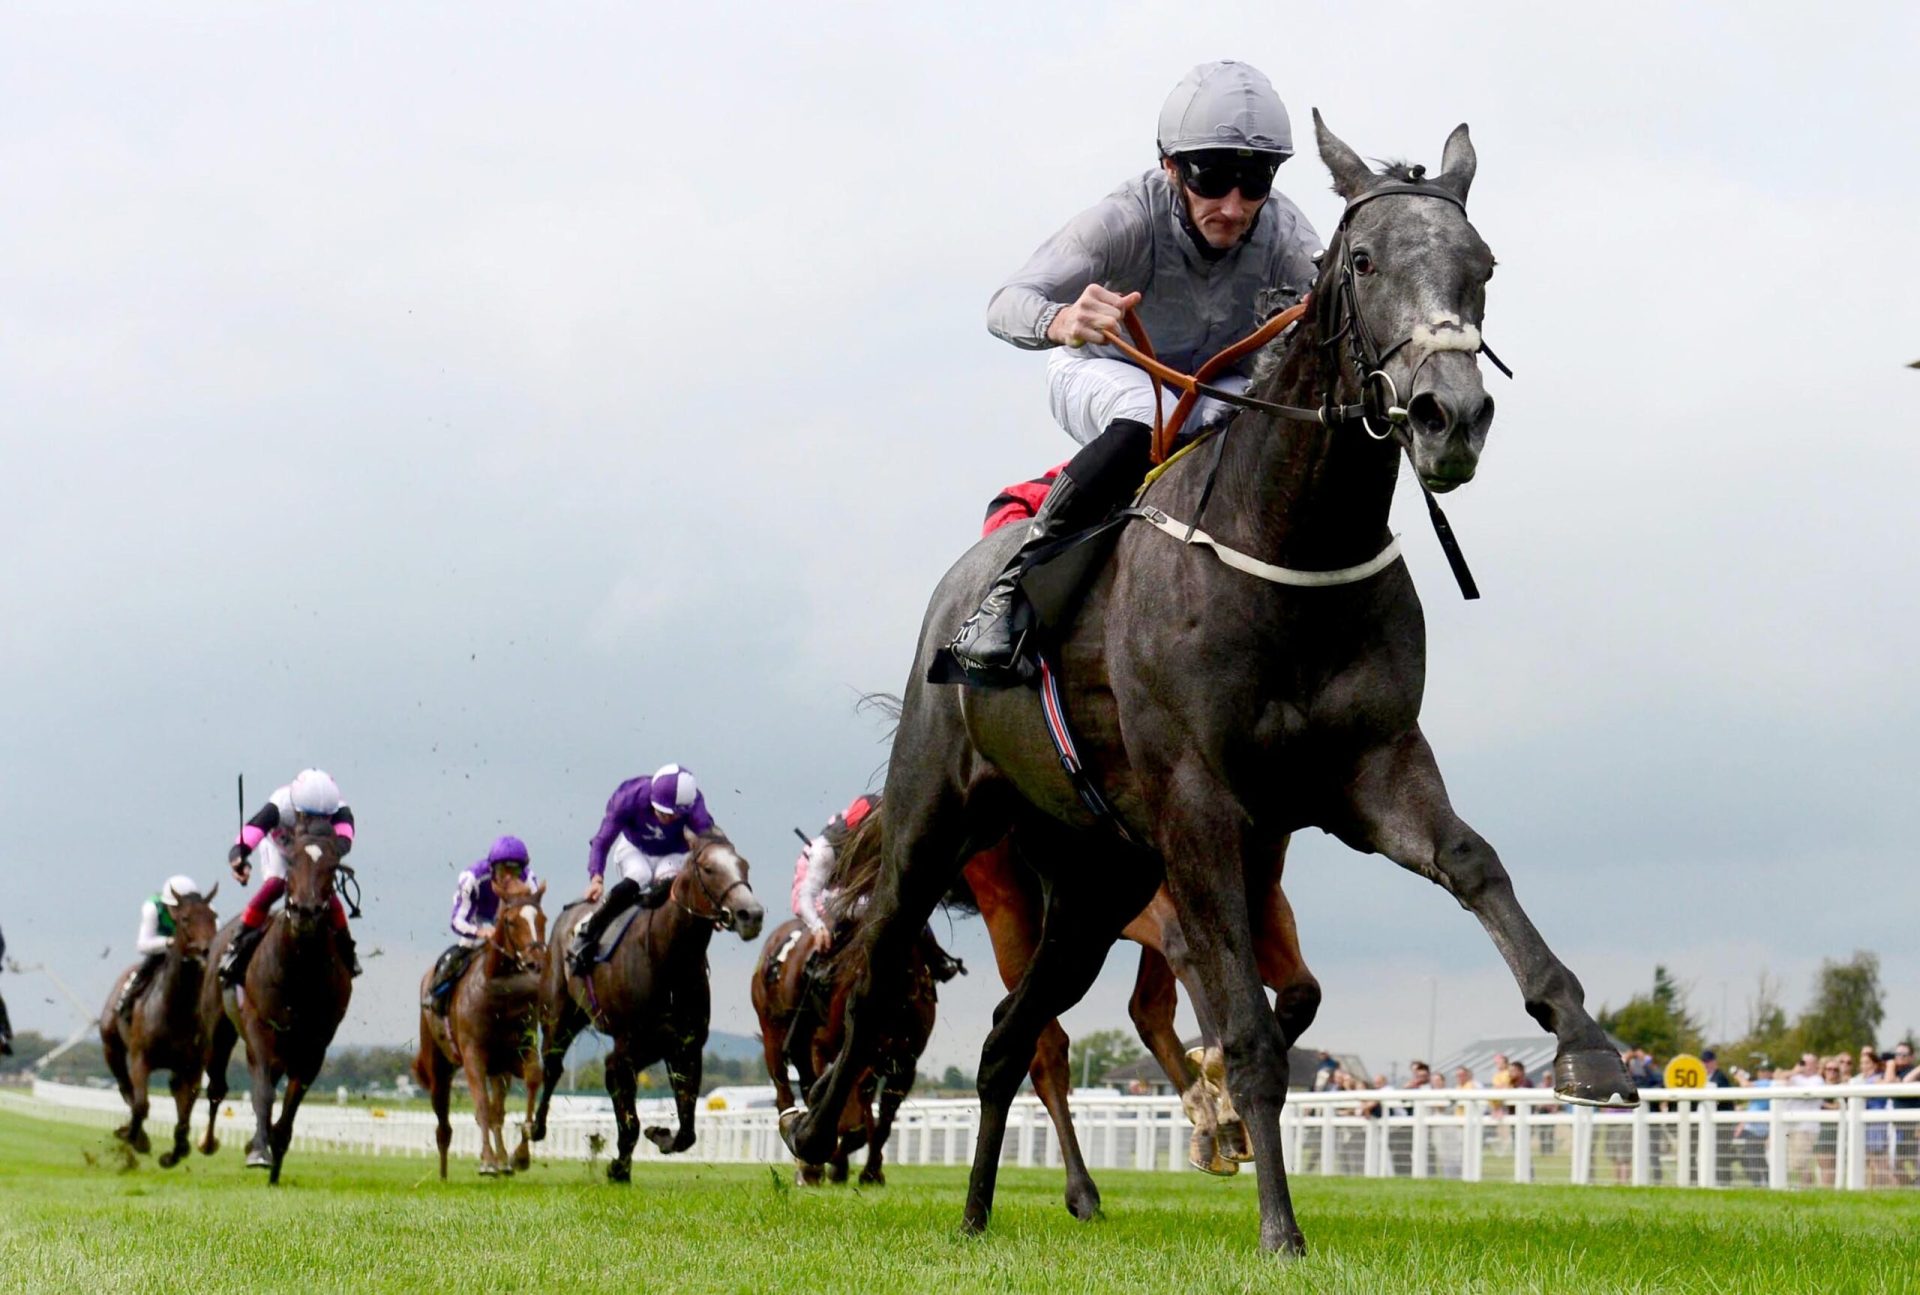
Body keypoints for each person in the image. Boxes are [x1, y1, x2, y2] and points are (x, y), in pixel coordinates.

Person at [936, 59, 1322, 686]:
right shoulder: (1126, 219)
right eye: (1214, 177)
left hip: (1214, 391)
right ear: (1172, 167)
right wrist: (1061, 319)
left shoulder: (1285, 232)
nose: (1233, 205)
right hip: (1107, 373)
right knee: (1149, 415)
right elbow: (1004, 303)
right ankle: (1008, 598)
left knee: (1270, 421)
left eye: (1254, 182)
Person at [783, 793, 962, 1076]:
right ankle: (804, 1002)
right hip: (834, 895)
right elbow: (806, 896)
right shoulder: (825, 849)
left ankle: (938, 961)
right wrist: (817, 927)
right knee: (829, 938)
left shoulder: (893, 836)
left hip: (870, 892)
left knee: (913, 917)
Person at [567, 764, 718, 976]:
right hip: (634, 848)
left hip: (673, 855)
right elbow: (602, 840)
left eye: (673, 815)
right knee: (640, 876)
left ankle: (692, 955)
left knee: (672, 887)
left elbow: (710, 850)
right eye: (662, 812)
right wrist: (596, 877)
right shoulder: (629, 796)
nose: (667, 819)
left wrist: (711, 908)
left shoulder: (696, 808)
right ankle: (587, 933)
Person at [220, 769, 358, 985]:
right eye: (310, 817)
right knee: (276, 884)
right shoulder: (279, 805)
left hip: (314, 857)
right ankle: (236, 946)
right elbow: (251, 832)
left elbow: (344, 843)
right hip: (280, 851)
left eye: (324, 818)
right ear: (296, 809)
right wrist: (239, 857)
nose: (317, 822)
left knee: (323, 894)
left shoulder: (341, 811)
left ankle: (347, 950)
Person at [424, 836, 539, 1015]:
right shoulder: (472, 878)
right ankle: (436, 995)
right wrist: (480, 932)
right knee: (460, 953)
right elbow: (457, 921)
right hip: (476, 920)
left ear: (522, 869)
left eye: (514, 870)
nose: (508, 877)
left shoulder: (529, 879)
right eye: (502, 870)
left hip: (510, 922)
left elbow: (532, 916)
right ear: (492, 868)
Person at [115, 876, 200, 1022]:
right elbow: (142, 944)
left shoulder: (204, 910)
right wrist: (170, 942)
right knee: (144, 970)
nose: (178, 914)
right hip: (161, 952)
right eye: (175, 908)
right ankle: (126, 1002)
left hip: (190, 954)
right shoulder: (153, 908)